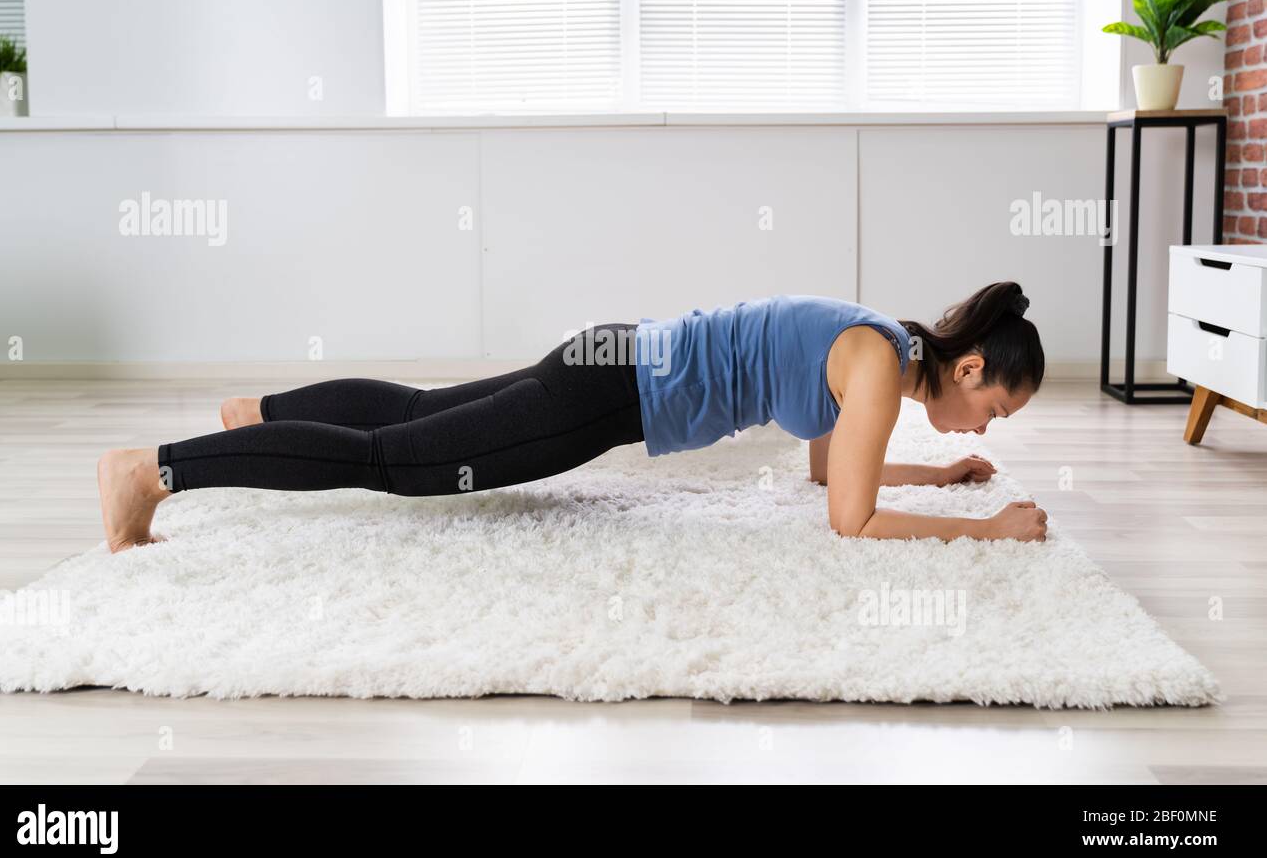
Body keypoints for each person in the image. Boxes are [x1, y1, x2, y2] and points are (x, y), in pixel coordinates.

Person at [96, 281, 1047, 552]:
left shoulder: (877, 340)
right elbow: (852, 520)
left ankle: (256, 412)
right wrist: (993, 532)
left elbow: (825, 476)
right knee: (399, 461)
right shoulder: (882, 369)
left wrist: (944, 479)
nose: (983, 427)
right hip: (608, 396)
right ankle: (154, 470)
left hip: (611, 355)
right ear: (969, 366)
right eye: (992, 409)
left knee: (423, 410)